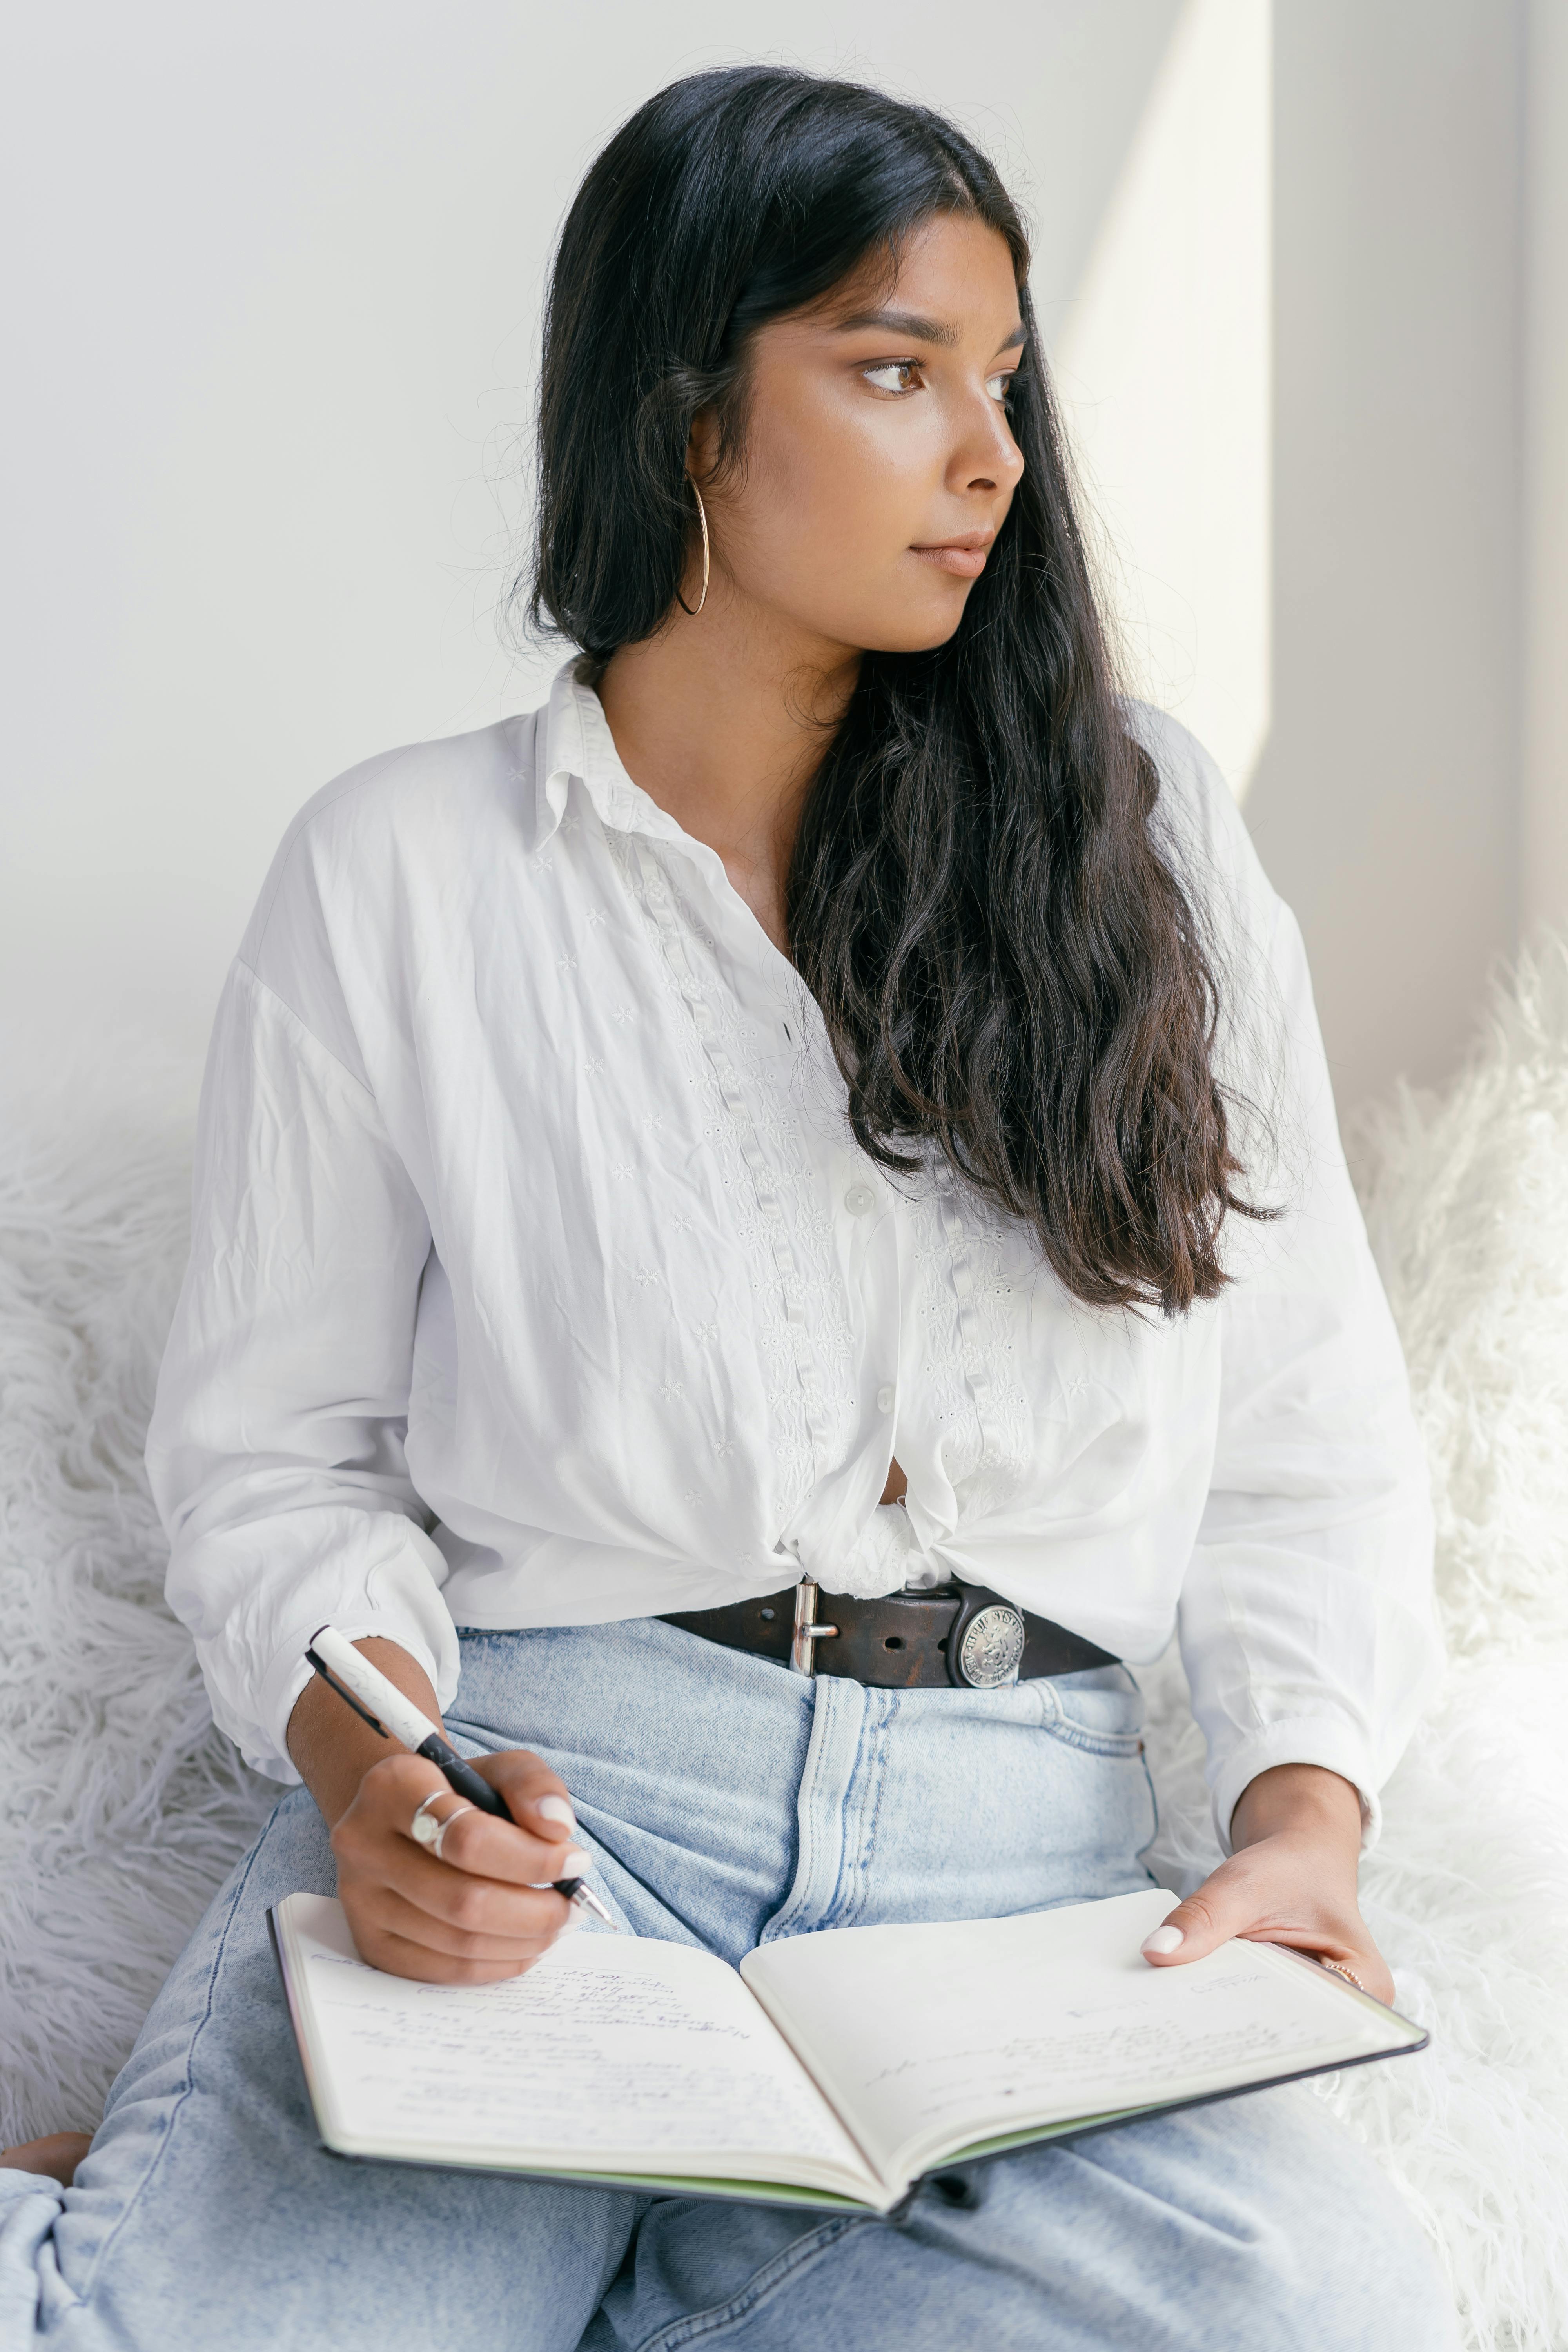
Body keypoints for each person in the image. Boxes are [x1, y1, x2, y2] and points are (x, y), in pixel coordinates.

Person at [0, 65, 1458, 2350]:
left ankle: (523, 2232)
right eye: (893, 372)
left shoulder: (1140, 834)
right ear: (688, 417)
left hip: (1029, 1906)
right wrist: (388, 1780)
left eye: (1001, 376)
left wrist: (1300, 1823)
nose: (989, 452)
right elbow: (278, 1458)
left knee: (1338, 2314)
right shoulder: (404, 872)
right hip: (574, 1833)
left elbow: (1308, 1431)